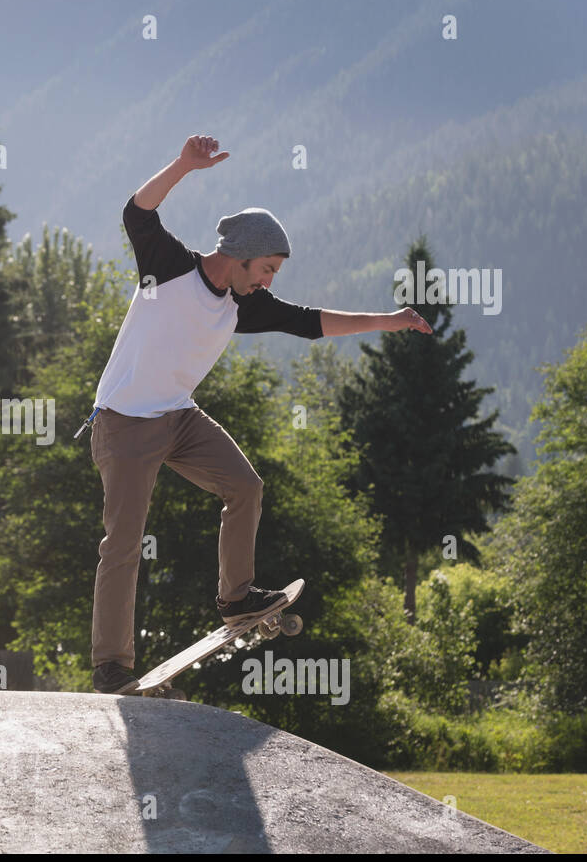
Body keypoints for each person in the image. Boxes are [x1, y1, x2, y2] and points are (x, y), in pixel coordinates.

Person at [86, 134, 432, 694]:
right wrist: (183, 166)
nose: (269, 280)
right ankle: (111, 665)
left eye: (273, 272)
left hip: (177, 417)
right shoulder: (167, 266)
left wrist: (390, 321)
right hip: (124, 423)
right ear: (239, 255)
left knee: (245, 486)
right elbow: (137, 212)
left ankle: (236, 598)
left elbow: (313, 322)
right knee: (123, 544)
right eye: (266, 268)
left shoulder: (244, 305)